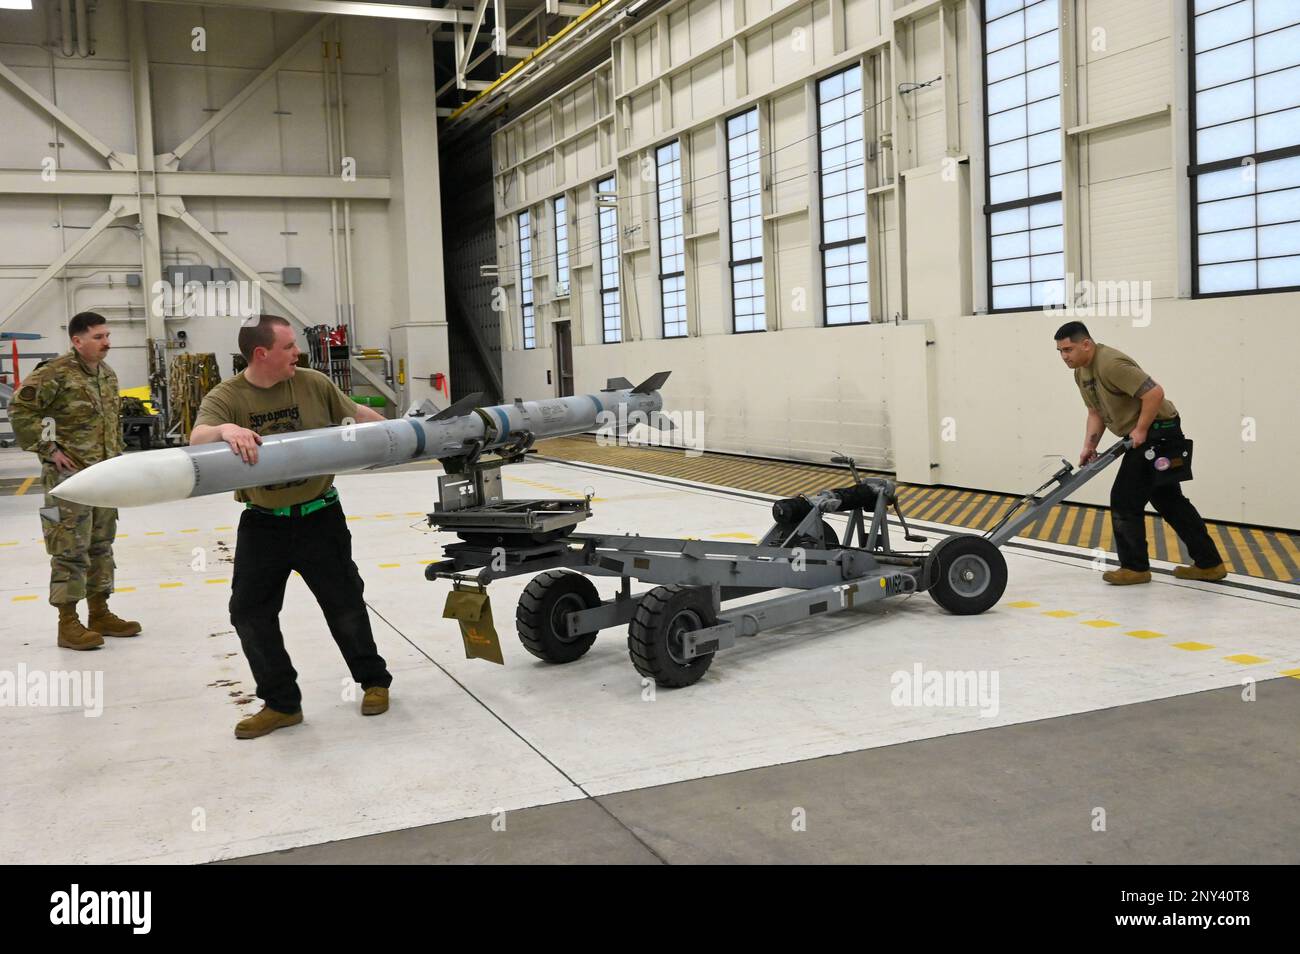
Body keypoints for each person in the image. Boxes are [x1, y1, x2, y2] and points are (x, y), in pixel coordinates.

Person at [191, 315, 392, 739]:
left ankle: (374, 682)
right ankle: (282, 704)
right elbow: (198, 438)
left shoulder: (313, 383)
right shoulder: (228, 396)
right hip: (264, 524)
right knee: (248, 614)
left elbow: (355, 413)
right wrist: (227, 429)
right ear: (261, 354)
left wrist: (406, 434)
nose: (297, 353)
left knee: (345, 605)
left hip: (320, 515)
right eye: (288, 347)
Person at [1055, 321, 1226, 585]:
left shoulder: (1110, 363)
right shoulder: (1081, 372)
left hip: (1160, 433)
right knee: (1169, 501)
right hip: (1151, 435)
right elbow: (1095, 412)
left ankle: (1135, 568)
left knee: (1124, 498)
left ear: (1086, 344)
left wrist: (1141, 430)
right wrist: (1089, 445)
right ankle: (1210, 564)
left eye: (1068, 349)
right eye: (1060, 352)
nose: (1064, 356)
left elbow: (1154, 393)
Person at [9, 311, 141, 649]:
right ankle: (67, 623)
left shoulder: (107, 375)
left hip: (104, 477)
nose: (106, 343)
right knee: (69, 549)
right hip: (68, 480)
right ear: (76, 341)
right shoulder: (55, 374)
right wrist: (49, 448)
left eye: (107, 336)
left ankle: (100, 613)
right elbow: (20, 409)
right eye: (98, 337)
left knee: (101, 544)